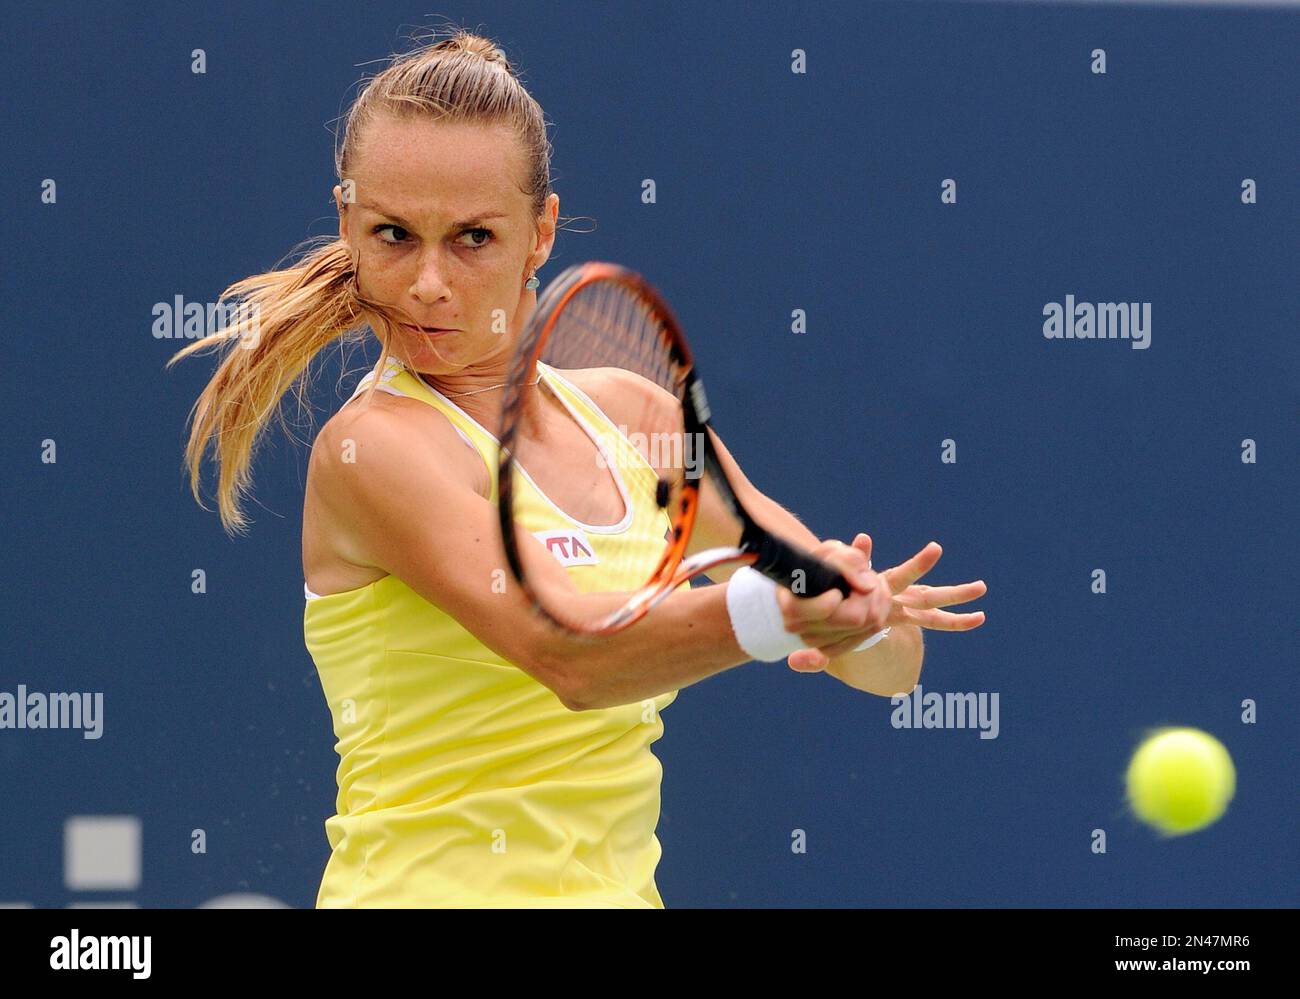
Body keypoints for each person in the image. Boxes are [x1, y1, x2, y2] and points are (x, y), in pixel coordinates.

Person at [169, 28, 986, 908]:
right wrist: (774, 612)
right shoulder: (372, 450)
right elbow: (570, 658)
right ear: (347, 221)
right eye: (393, 234)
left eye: (474, 236)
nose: (428, 283)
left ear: (541, 233)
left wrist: (856, 618)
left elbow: (891, 664)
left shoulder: (641, 421)